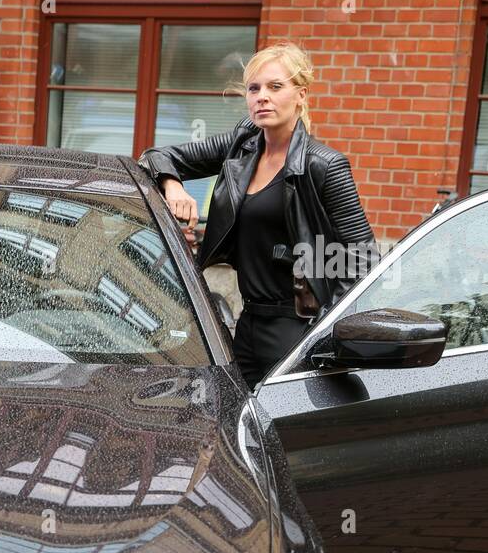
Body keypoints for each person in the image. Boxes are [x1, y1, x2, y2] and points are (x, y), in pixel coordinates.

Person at [139, 42, 375, 388]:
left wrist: (322, 332)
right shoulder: (242, 146)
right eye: (254, 88)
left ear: (301, 95)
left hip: (296, 328)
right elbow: (155, 157)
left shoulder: (324, 165)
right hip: (244, 322)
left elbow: (363, 257)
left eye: (275, 87)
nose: (262, 96)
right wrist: (173, 186)